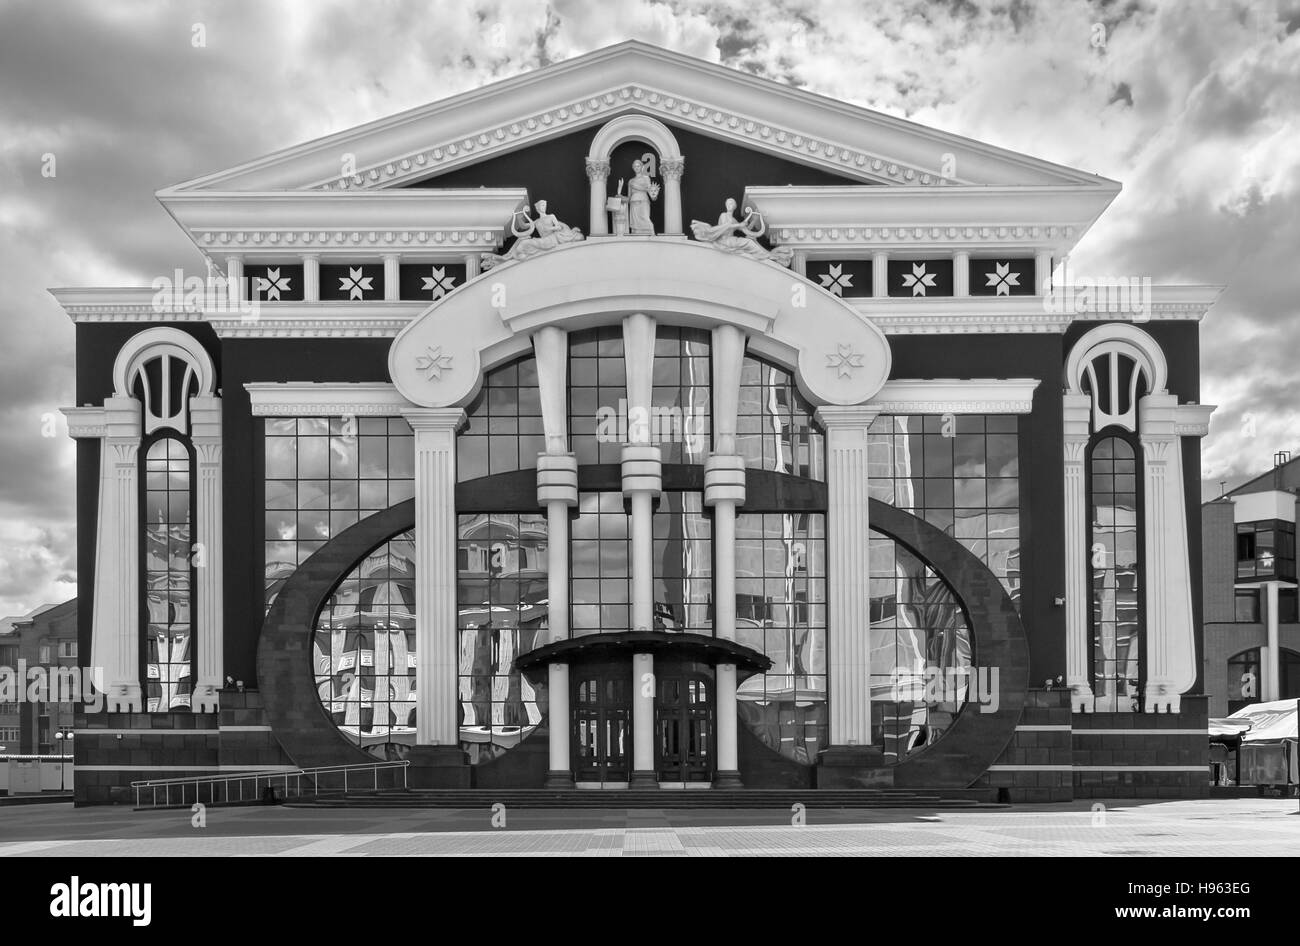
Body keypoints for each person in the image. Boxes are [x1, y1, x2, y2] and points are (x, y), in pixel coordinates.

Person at [480, 200, 583, 269]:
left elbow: (558, 227)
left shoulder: (551, 216)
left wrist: (549, 228)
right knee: (522, 241)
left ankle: (510, 258)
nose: (544, 207)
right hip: (544, 240)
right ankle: (504, 258)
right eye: (542, 206)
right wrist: (519, 216)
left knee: (524, 244)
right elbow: (524, 226)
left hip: (551, 239)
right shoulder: (537, 221)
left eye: (544, 205)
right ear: (538, 208)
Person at [689, 198, 794, 266]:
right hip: (724, 241)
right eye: (728, 203)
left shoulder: (734, 220)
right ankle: (769, 256)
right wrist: (739, 225)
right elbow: (725, 227)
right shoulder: (723, 215)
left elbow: (747, 231)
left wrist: (754, 220)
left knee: (750, 241)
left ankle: (770, 256)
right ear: (726, 205)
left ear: (734, 206)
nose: (730, 205)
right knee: (748, 242)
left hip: (731, 240)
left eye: (732, 204)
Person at [625, 154, 660, 235]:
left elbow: (651, 193)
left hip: (643, 201)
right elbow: (629, 198)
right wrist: (619, 196)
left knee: (646, 220)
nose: (637, 168)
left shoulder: (646, 178)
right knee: (636, 228)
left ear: (642, 167)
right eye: (635, 166)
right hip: (634, 203)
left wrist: (654, 195)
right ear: (633, 168)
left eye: (638, 166)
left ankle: (652, 237)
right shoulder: (631, 181)